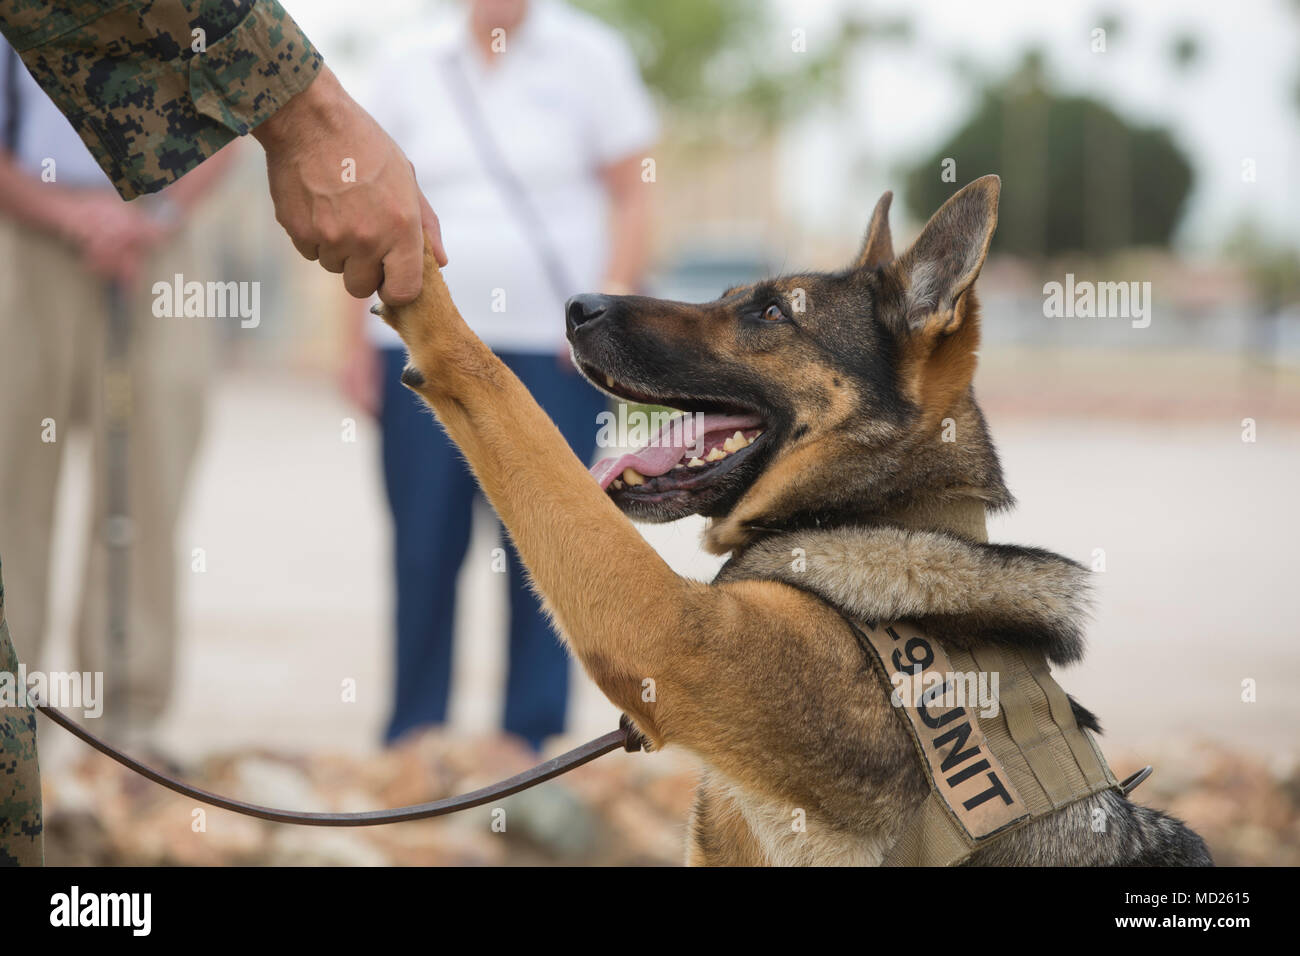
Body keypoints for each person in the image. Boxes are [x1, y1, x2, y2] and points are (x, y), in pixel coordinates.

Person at [0, 0, 447, 867]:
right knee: (16, 488)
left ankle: (123, 734)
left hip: (157, 231)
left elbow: (224, 100)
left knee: (148, 480)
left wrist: (149, 214)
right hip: (23, 232)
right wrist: (69, 216)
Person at [342, 0, 656, 750]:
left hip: (551, 353)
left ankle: (530, 741)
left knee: (545, 547)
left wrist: (606, 322)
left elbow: (638, 191)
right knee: (422, 545)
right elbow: (359, 210)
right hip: (414, 346)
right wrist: (350, 344)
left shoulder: (593, 55)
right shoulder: (405, 60)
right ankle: (415, 739)